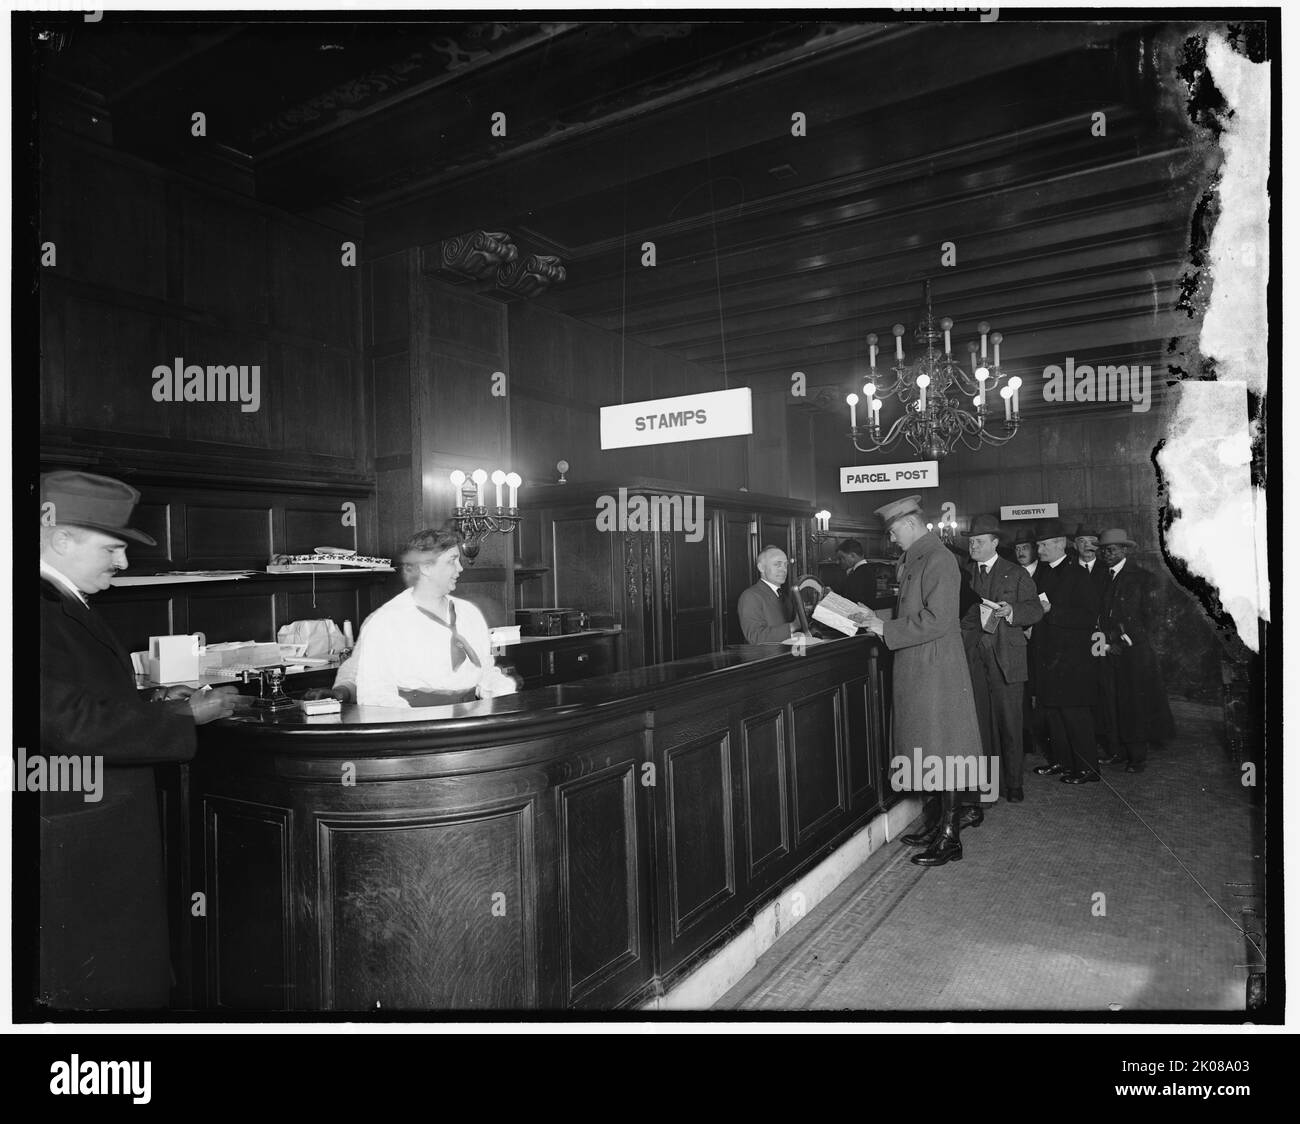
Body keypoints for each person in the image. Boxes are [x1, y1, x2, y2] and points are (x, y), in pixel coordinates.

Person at [37, 470, 236, 1009]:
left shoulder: (62, 600)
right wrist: (185, 717)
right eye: (113, 548)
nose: (122, 563)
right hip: (74, 835)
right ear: (61, 539)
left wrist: (155, 704)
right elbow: (65, 724)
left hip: (91, 825)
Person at [852, 496, 983, 867]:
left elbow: (940, 619)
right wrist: (872, 616)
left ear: (909, 524)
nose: (892, 539)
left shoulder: (937, 558)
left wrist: (884, 627)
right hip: (922, 664)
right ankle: (938, 823)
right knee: (932, 746)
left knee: (945, 747)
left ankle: (949, 836)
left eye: (893, 532)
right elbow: (910, 610)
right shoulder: (917, 557)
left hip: (935, 667)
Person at [354, 529, 517, 707]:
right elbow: (374, 693)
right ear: (426, 568)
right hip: (419, 725)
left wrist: (503, 692)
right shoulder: (386, 622)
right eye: (452, 561)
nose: (460, 568)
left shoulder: (469, 613)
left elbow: (484, 671)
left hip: (473, 720)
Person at [960, 514, 1043, 805]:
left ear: (995, 542)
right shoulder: (964, 573)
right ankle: (988, 784)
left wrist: (1012, 611)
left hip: (1006, 658)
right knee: (981, 724)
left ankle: (1014, 783)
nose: (973, 546)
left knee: (1010, 722)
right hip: (973, 657)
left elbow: (1035, 610)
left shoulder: (1016, 573)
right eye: (971, 542)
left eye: (979, 542)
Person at [1095, 528, 1177, 773]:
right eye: (1103, 550)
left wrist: (1124, 640)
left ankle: (1137, 757)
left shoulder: (1143, 577)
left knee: (1133, 704)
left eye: (1111, 550)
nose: (1107, 554)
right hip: (1107, 649)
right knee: (1110, 702)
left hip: (1134, 653)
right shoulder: (1102, 576)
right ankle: (1117, 751)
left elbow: (1153, 619)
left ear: (1125, 550)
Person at [1029, 519, 1102, 785]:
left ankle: (1087, 769)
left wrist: (1053, 613)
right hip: (1049, 655)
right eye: (1038, 545)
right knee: (1053, 714)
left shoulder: (1078, 574)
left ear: (1061, 543)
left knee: (1075, 715)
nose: (1039, 550)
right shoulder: (1044, 572)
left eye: (1044, 544)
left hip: (1073, 659)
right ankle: (1062, 762)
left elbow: (1088, 616)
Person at [737, 545, 808, 644]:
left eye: (785, 565)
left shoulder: (784, 596)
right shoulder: (750, 596)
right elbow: (755, 637)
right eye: (777, 564)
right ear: (761, 567)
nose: (784, 569)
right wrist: (794, 625)